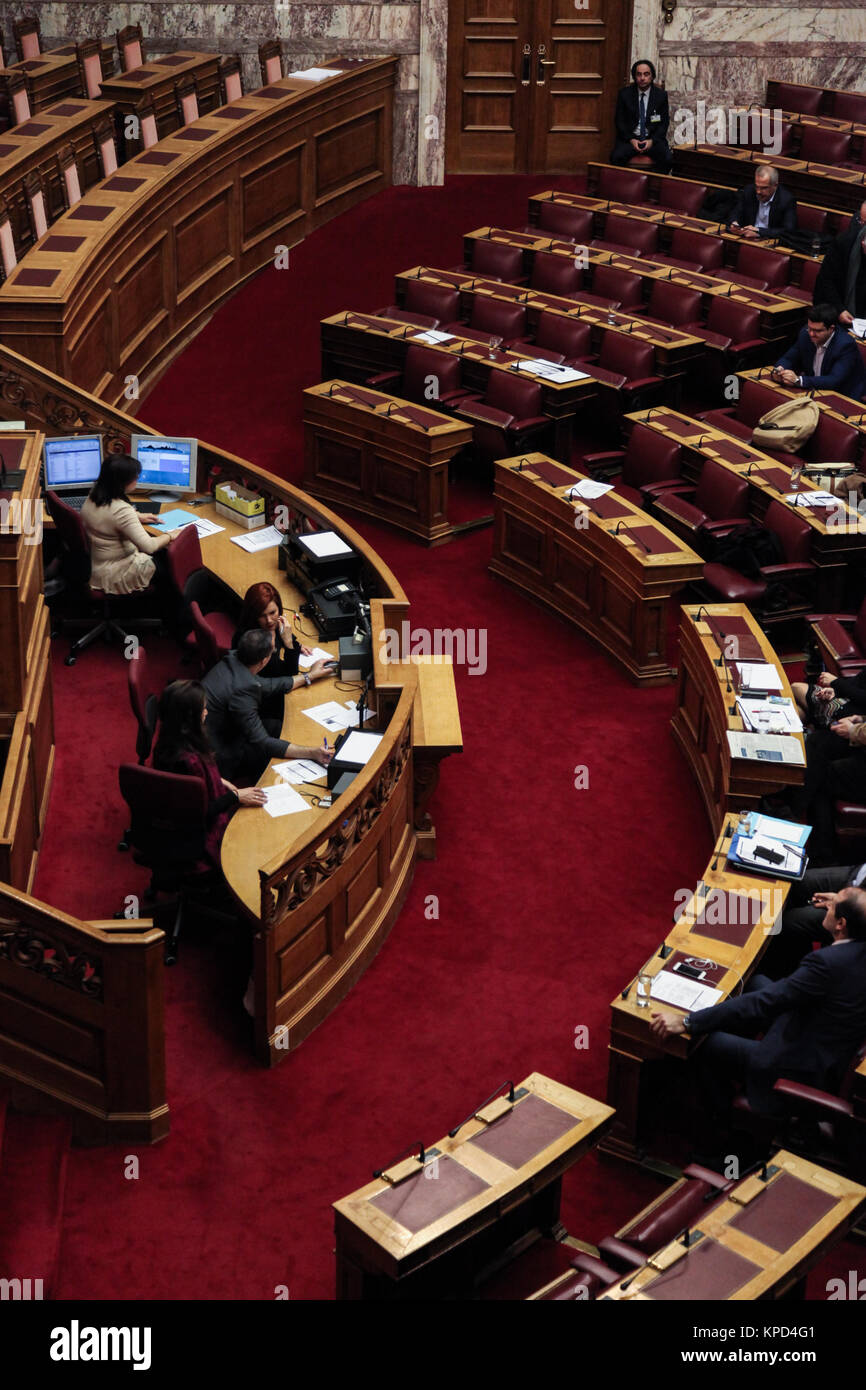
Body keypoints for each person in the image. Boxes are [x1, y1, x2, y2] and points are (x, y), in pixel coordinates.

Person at [649, 886, 866, 1115]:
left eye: (832, 907)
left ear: (841, 924)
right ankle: (736, 1057)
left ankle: (718, 1128)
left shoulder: (826, 963)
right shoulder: (855, 949)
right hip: (821, 1033)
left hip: (799, 1065)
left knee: (706, 1042)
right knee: (757, 981)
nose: (827, 907)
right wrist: (841, 902)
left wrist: (688, 1022)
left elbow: (766, 1002)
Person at [152, 680, 266, 868]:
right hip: (202, 832)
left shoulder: (169, 740)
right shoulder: (189, 761)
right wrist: (235, 796)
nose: (206, 712)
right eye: (202, 709)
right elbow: (201, 812)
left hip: (180, 817)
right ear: (189, 718)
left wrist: (219, 780)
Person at [200, 628, 335, 784]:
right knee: (269, 752)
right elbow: (262, 743)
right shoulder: (243, 690)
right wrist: (313, 753)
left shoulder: (232, 660)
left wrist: (309, 676)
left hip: (219, 730)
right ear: (264, 661)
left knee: (276, 726)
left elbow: (266, 685)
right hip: (221, 755)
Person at [80, 453, 180, 594]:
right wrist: (170, 535)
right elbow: (149, 547)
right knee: (171, 563)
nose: (137, 479)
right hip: (117, 572)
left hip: (98, 564)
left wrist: (137, 516)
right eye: (135, 477)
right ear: (122, 482)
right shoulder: (121, 509)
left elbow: (109, 517)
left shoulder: (95, 493)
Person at [763, 864, 866, 979]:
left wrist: (840, 902)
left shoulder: (823, 963)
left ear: (840, 924)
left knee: (782, 922)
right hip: (858, 879)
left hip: (856, 908)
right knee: (794, 883)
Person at [772, 302, 866, 399]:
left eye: (818, 331)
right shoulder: (805, 335)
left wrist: (798, 380)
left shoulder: (845, 345)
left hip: (842, 396)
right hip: (813, 391)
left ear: (831, 329)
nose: (811, 334)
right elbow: (789, 358)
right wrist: (779, 370)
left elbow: (834, 380)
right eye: (810, 328)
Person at [232, 581, 313, 680]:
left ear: (279, 608)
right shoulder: (252, 641)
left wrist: (294, 644)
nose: (269, 620)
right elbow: (289, 676)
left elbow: (285, 636)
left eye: (272, 612)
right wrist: (289, 645)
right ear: (254, 615)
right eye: (262, 615)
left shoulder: (273, 625)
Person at [610, 60, 671, 174]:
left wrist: (652, 141)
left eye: (646, 74)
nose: (642, 78)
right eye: (639, 74)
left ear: (652, 76)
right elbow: (620, 121)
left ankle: (654, 188)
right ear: (634, 76)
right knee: (616, 157)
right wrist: (631, 140)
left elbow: (664, 123)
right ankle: (626, 188)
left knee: (667, 158)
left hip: (652, 139)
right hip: (630, 140)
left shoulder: (661, 96)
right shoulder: (624, 94)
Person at [814, 206, 866, 323]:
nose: (863, 227)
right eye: (862, 222)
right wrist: (839, 310)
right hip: (847, 316)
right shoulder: (844, 242)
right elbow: (826, 279)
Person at [725, 165, 797, 240]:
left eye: (764, 188)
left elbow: (789, 230)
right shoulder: (749, 191)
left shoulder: (786, 200)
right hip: (747, 238)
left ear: (775, 185)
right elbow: (736, 212)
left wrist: (759, 231)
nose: (758, 191)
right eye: (757, 186)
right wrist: (734, 223)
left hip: (769, 241)